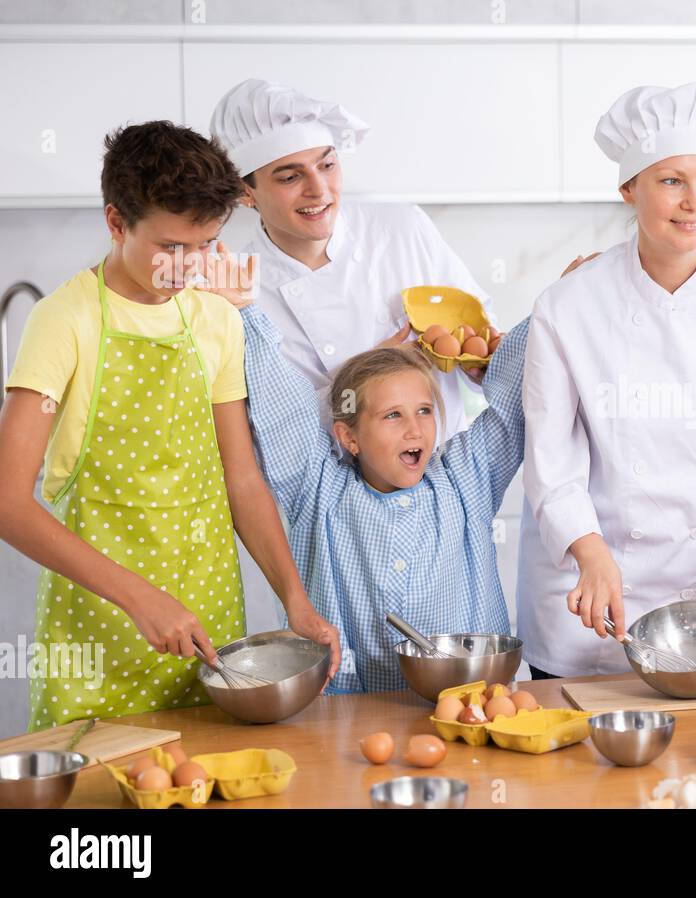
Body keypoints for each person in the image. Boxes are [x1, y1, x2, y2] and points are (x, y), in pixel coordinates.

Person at [0, 122, 338, 729]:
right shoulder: (64, 320)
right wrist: (140, 598)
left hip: (206, 629)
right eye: (170, 248)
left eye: (205, 244)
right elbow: (6, 503)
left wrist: (296, 599)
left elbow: (242, 480)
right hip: (97, 636)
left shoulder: (216, 321)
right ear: (115, 222)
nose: (189, 267)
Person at [516, 83, 696, 678]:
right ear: (629, 188)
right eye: (672, 180)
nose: (695, 201)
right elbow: (552, 461)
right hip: (588, 598)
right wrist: (591, 555)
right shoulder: (567, 307)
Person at [216, 282, 530, 693]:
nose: (415, 428)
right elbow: (286, 412)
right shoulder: (320, 491)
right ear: (349, 437)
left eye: (423, 410)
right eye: (392, 416)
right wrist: (245, 312)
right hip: (352, 717)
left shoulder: (463, 479)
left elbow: (508, 409)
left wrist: (563, 299)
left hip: (464, 702)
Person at [209, 79, 494, 435]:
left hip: (440, 474)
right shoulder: (236, 291)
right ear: (244, 192)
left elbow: (484, 343)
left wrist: (480, 364)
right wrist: (371, 374)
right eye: (289, 177)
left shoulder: (403, 229)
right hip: (322, 488)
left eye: (326, 165)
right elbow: (271, 430)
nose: (319, 190)